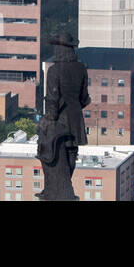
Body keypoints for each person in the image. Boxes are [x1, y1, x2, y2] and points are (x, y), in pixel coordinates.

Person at [36, 30, 90, 200]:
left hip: (60, 119)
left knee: (53, 155)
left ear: (61, 49)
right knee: (72, 152)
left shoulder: (54, 70)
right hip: (76, 117)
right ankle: (63, 187)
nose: (54, 51)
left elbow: (52, 98)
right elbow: (84, 97)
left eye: (56, 48)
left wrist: (49, 119)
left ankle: (54, 189)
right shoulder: (81, 68)